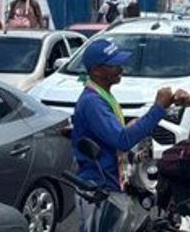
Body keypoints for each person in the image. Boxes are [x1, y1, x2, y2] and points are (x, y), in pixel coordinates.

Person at [71, 39, 174, 208]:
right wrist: (158, 109)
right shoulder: (93, 102)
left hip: (111, 184)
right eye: (114, 65)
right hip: (99, 189)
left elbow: (114, 134)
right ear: (96, 71)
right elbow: (122, 140)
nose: (121, 69)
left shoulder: (102, 95)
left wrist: (134, 124)